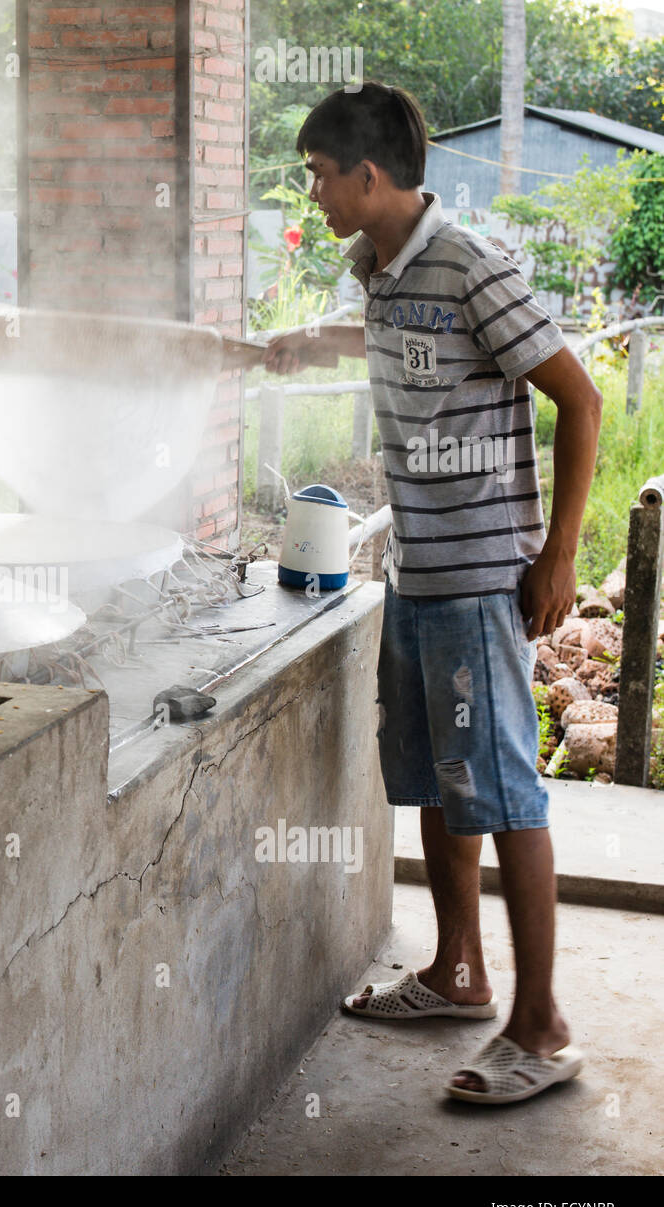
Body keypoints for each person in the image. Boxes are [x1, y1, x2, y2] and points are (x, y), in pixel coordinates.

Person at [265, 82, 602, 1104]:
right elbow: (366, 342)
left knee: (501, 794)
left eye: (321, 175)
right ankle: (458, 973)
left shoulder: (470, 265)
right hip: (413, 572)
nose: (313, 192)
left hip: (475, 581)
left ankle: (541, 1028)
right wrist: (258, 351)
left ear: (369, 176)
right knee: (440, 785)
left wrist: (555, 558)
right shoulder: (375, 268)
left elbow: (578, 398)